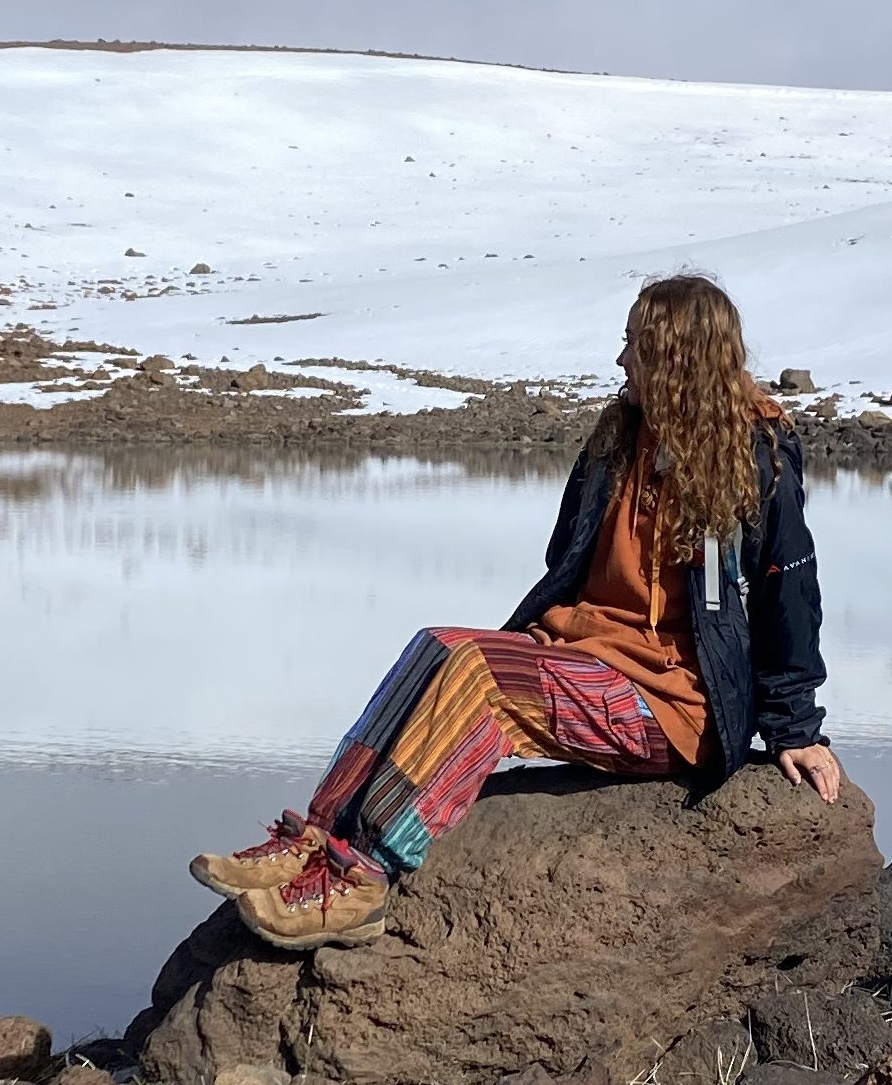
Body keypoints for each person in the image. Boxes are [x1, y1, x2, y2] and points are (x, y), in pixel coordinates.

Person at [192, 272, 843, 951]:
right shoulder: (619, 439)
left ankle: (364, 879)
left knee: (482, 676)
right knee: (438, 646)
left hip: (675, 705)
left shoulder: (756, 456)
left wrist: (794, 727)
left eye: (636, 347)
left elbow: (789, 593)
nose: (621, 362)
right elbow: (567, 560)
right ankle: (319, 840)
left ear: (678, 357)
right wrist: (547, 642)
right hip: (594, 662)